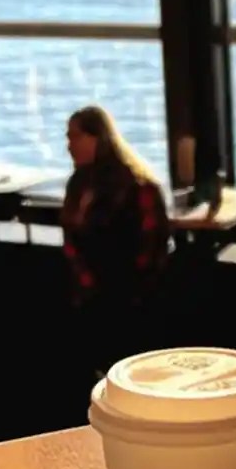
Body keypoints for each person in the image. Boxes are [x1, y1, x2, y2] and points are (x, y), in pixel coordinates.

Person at [60, 105, 172, 376]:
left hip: (128, 293)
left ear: (97, 137)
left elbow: (152, 244)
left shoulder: (136, 186)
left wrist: (133, 289)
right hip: (89, 290)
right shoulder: (78, 183)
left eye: (75, 137)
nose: (69, 146)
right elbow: (71, 234)